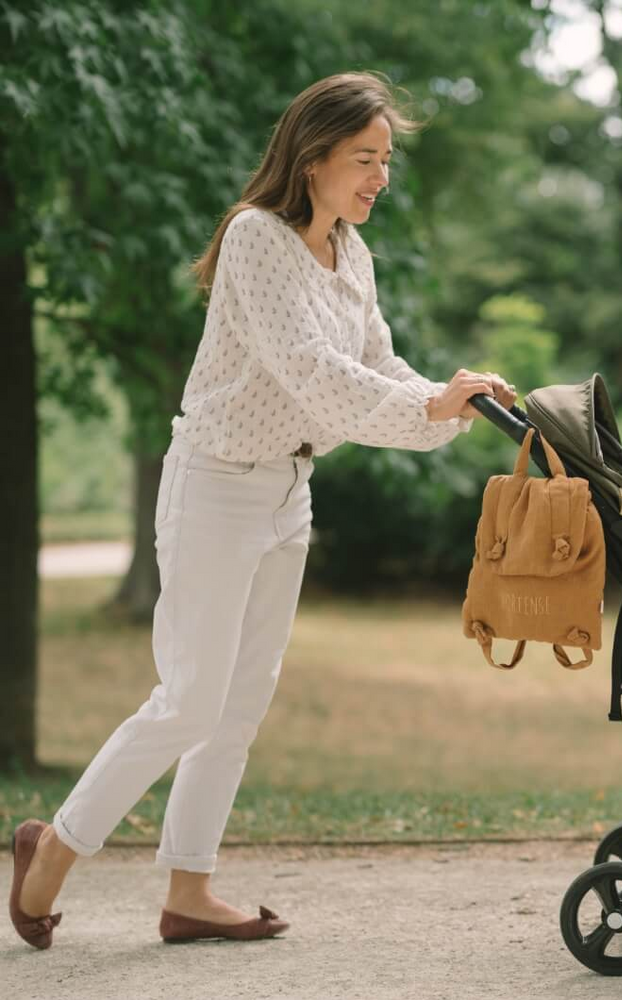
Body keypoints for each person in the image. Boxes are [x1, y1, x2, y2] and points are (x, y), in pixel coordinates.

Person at [8, 72, 516, 950]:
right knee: (189, 702)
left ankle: (190, 891)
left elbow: (377, 364)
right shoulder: (256, 237)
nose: (381, 177)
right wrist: (429, 408)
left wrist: (451, 397)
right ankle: (54, 846)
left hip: (289, 491)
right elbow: (312, 370)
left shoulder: (351, 252)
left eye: (386, 160)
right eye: (365, 158)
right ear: (313, 157)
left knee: (239, 706)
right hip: (215, 484)